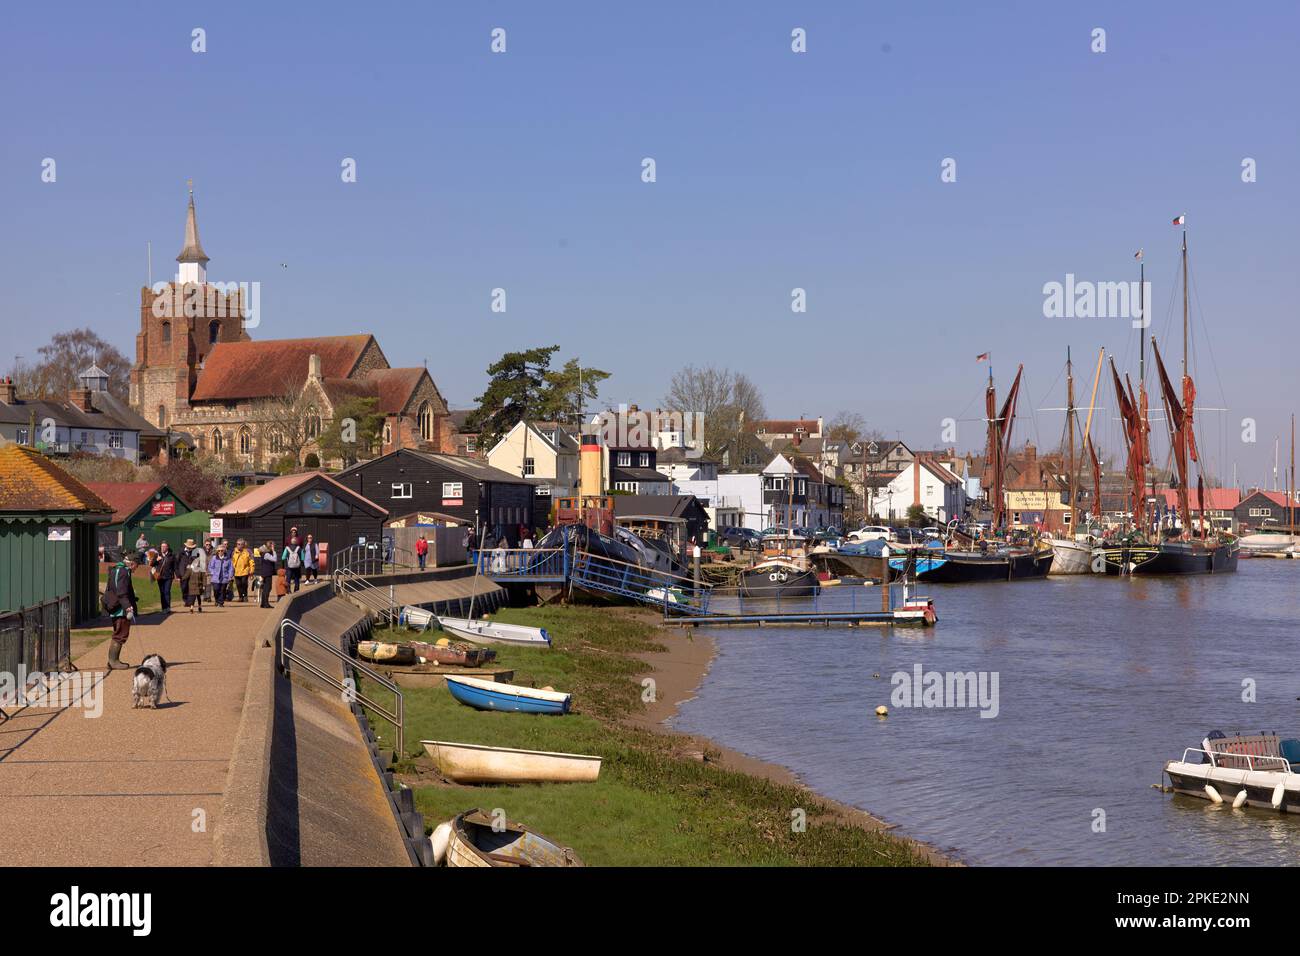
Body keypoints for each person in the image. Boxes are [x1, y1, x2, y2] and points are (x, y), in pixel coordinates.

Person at [103, 553, 139, 670]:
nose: (136, 569)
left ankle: (113, 661)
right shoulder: (123, 572)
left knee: (119, 633)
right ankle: (113, 661)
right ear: (132, 563)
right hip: (120, 608)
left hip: (117, 605)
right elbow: (121, 592)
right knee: (120, 634)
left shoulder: (118, 569)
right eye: (136, 566)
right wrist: (128, 606)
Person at [150, 541, 178, 613]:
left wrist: (177, 576)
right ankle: (164, 608)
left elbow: (175, 566)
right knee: (162, 592)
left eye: (164, 546)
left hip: (169, 576)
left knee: (167, 591)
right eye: (162, 546)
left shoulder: (172, 555)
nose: (163, 548)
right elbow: (151, 564)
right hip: (160, 577)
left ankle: (168, 608)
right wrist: (156, 560)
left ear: (167, 547)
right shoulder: (157, 555)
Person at [183, 540, 207, 613]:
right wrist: (182, 578)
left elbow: (204, 577)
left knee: (199, 597)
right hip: (192, 586)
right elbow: (186, 576)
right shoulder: (190, 569)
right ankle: (191, 608)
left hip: (199, 585)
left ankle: (199, 606)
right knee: (192, 598)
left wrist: (204, 585)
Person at [208, 543, 234, 607]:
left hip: (224, 577)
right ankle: (217, 600)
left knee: (222, 591)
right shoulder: (214, 558)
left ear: (224, 551)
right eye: (219, 551)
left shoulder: (228, 559)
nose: (220, 552)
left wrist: (230, 576)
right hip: (215, 578)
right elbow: (210, 567)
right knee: (216, 590)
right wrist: (213, 573)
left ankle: (221, 602)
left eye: (222, 550)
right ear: (217, 551)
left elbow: (231, 568)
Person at [258, 540, 278, 608]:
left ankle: (263, 603)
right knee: (268, 588)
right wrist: (274, 551)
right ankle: (266, 604)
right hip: (267, 572)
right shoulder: (266, 554)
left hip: (264, 572)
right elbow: (274, 559)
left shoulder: (263, 554)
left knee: (265, 588)